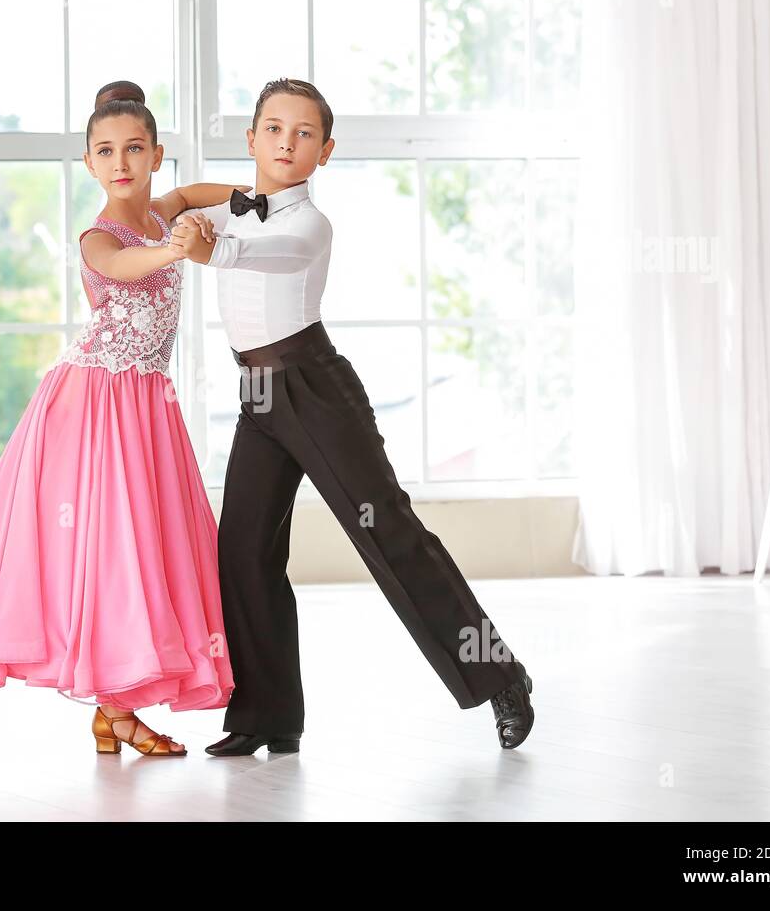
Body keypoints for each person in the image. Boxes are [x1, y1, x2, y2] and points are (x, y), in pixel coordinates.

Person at [168, 78, 536, 756]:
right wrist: (177, 207)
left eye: (304, 133)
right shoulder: (228, 211)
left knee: (388, 533)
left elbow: (261, 253)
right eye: (274, 129)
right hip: (256, 396)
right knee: (242, 551)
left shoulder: (308, 224)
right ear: (250, 140)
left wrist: (206, 243)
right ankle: (267, 716)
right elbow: (189, 204)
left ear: (325, 151)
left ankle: (501, 676)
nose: (287, 143)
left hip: (314, 387)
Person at [0, 80, 241, 757]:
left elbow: (197, 195)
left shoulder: (160, 210)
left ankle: (116, 710)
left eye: (135, 148)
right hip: (89, 407)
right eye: (107, 151)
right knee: (34, 555)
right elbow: (127, 264)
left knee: (130, 557)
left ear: (155, 154)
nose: (122, 162)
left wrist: (254, 199)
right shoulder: (99, 236)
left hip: (146, 406)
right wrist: (178, 248)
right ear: (89, 163)